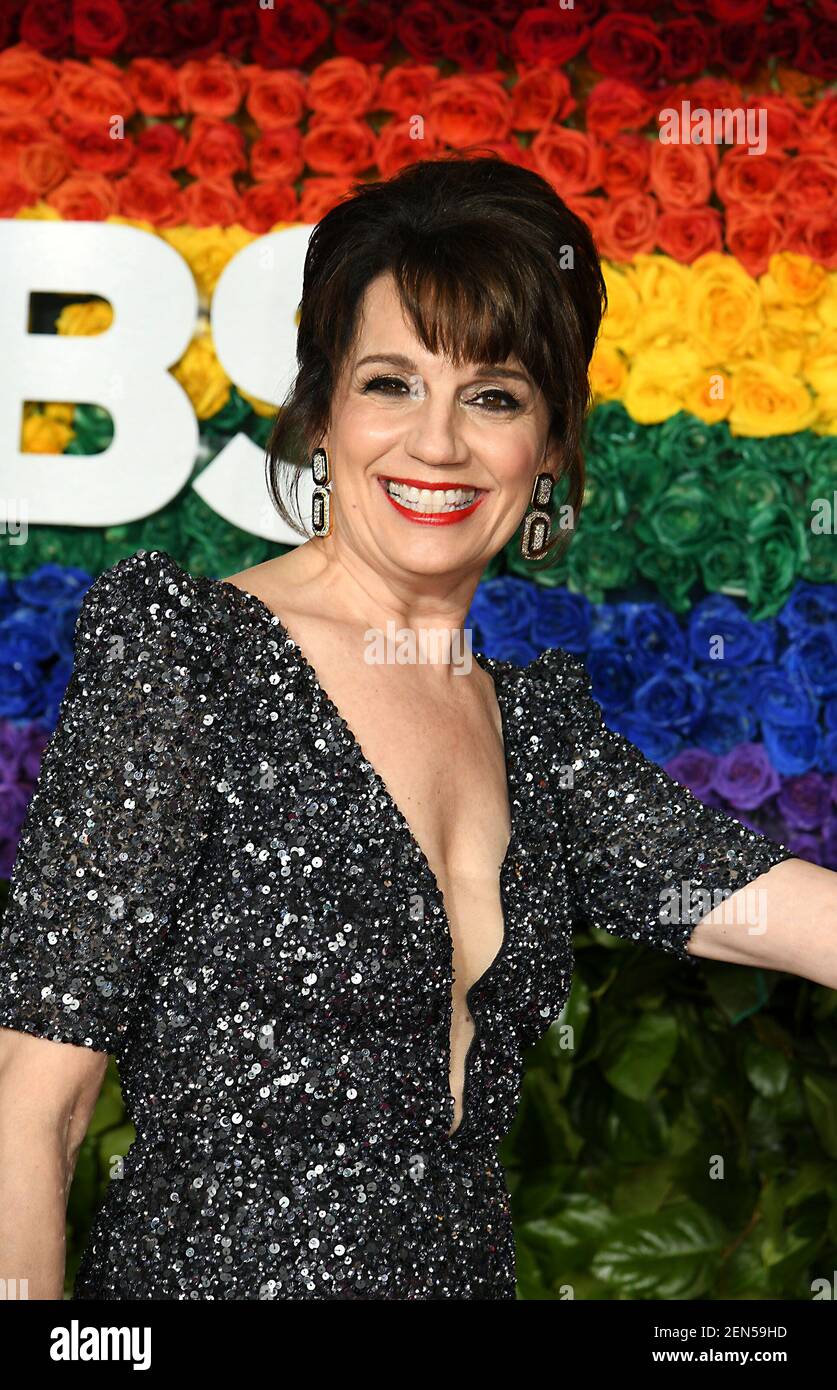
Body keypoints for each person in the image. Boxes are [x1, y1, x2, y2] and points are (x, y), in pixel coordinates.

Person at [0, 156, 831, 1302]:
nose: (435, 444)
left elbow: (783, 918)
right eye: (391, 382)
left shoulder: (539, 738)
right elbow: (35, 1107)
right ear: (323, 408)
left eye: (493, 395)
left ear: (547, 447)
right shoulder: (190, 654)